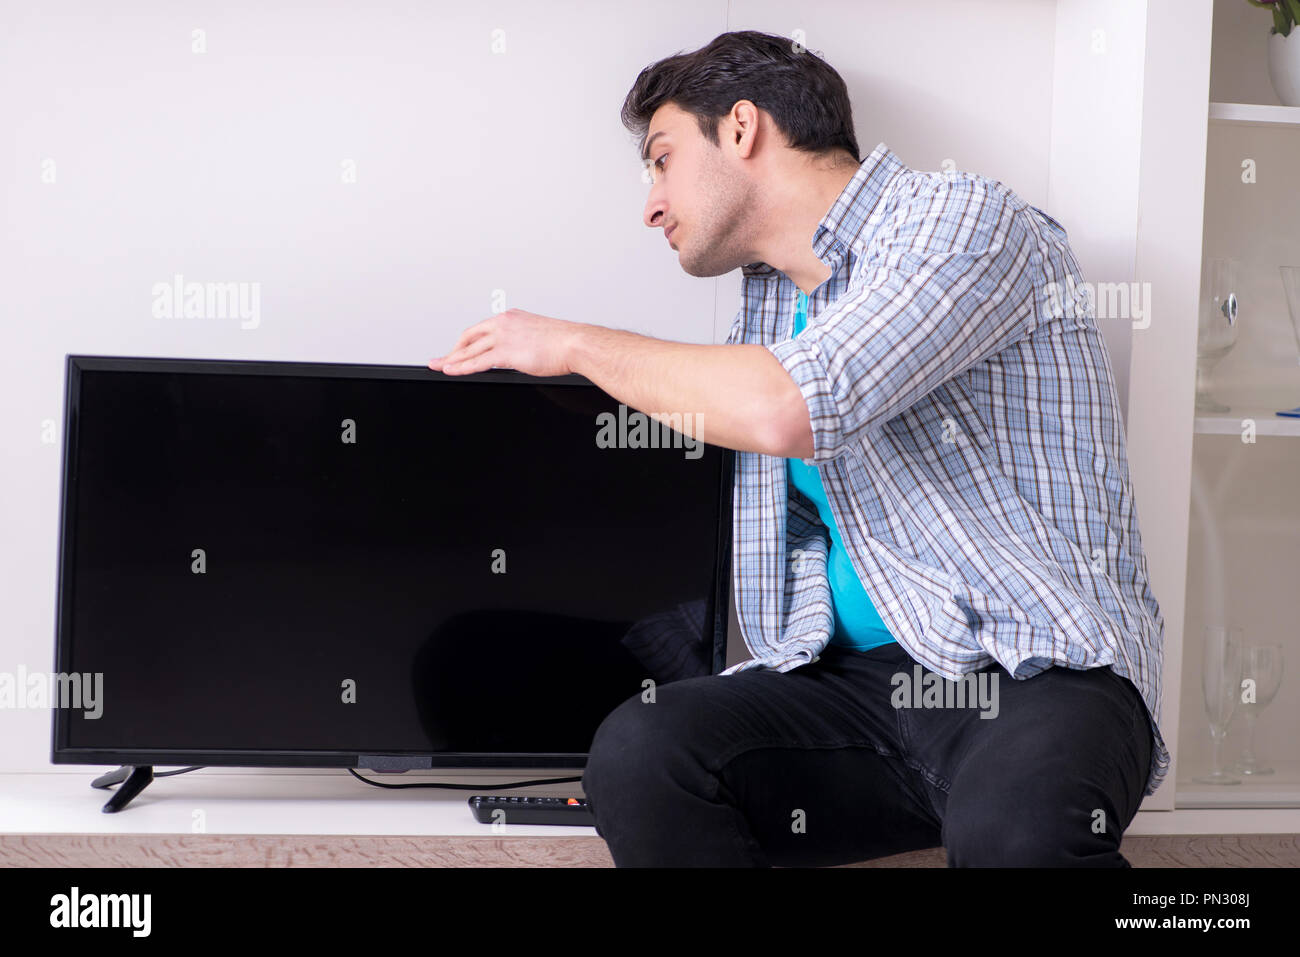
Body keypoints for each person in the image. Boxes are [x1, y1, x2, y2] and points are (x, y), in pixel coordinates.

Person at [430, 29, 1165, 867]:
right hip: (850, 688)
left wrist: (575, 344)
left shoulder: (967, 223)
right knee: (643, 750)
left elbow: (797, 405)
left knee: (1017, 834)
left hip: (1031, 672)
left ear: (741, 128)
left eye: (662, 159)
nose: (650, 204)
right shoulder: (769, 315)